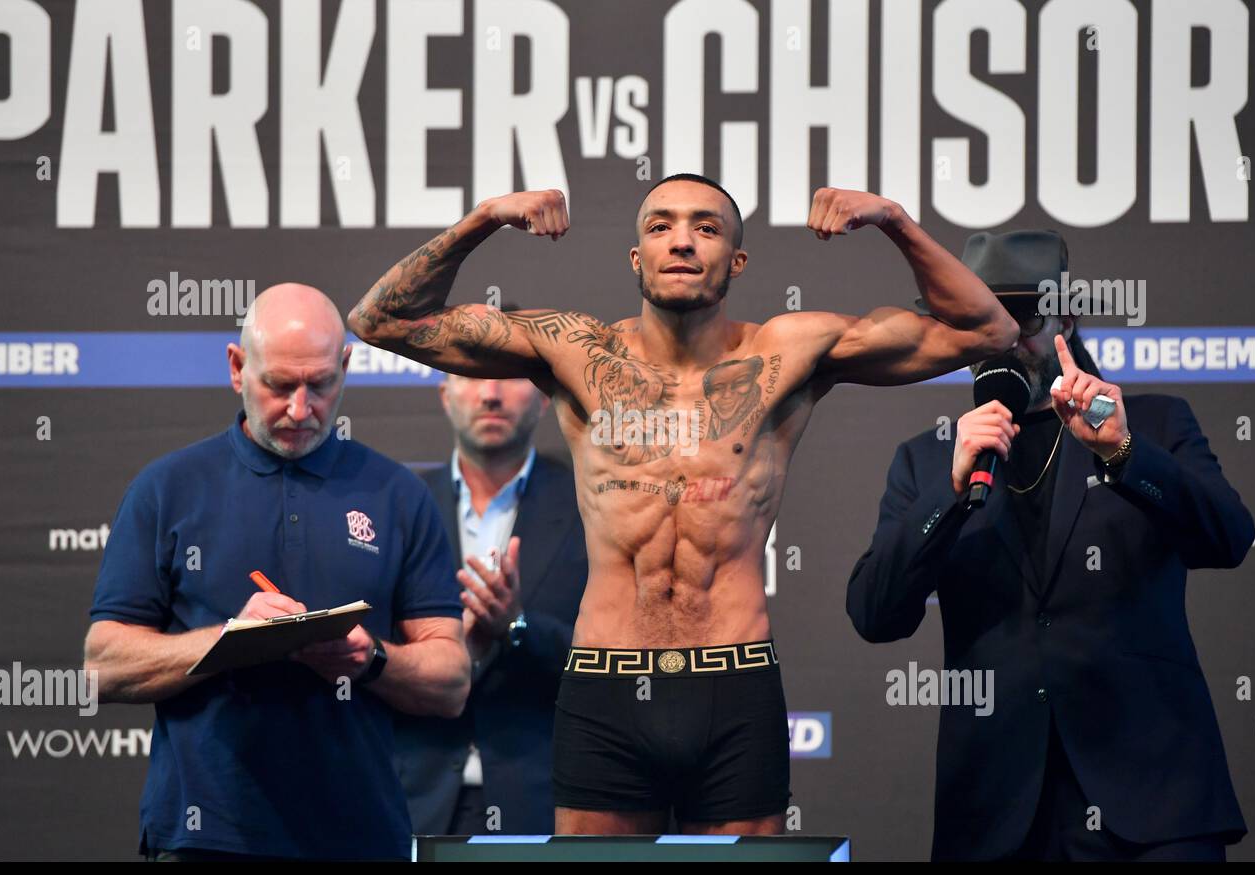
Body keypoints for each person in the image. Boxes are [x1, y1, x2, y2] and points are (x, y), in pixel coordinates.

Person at [348, 174, 1018, 835]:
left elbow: (989, 330)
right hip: (606, 680)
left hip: (735, 679)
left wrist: (895, 220)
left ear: (737, 260)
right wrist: (485, 218)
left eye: (706, 227)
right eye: (661, 225)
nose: (683, 242)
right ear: (637, 257)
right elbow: (378, 320)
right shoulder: (576, 351)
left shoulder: (789, 351)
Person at [846, 230, 1252, 861]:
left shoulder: (1152, 423)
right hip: (994, 812)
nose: (1002, 337)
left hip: (1151, 804)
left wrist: (1120, 450)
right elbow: (875, 614)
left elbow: (1228, 539)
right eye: (978, 319)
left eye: (1021, 315)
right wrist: (950, 495)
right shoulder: (929, 461)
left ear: (1066, 316)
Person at [84, 283, 470, 861]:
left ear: (346, 366)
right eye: (279, 385)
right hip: (207, 840)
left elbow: (451, 680)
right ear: (237, 368)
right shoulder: (168, 489)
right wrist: (229, 641)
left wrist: (373, 660)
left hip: (359, 838)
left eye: (320, 385)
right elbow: (102, 667)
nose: (299, 409)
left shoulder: (399, 495)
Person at [394, 367, 587, 834]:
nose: (491, 394)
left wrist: (517, 626)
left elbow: (617, 665)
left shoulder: (591, 509)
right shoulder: (400, 504)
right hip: (417, 802)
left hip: (545, 803)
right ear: (445, 394)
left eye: (509, 378)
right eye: (471, 378)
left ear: (544, 398)